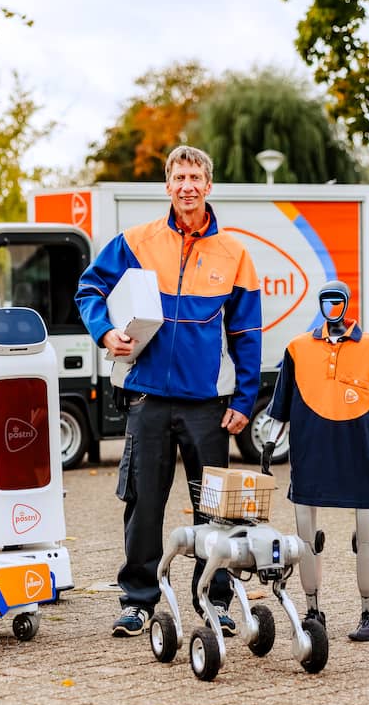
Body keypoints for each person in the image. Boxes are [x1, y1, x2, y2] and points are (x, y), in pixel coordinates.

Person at [75, 145, 262, 638]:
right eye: (179, 177)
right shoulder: (135, 242)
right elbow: (89, 290)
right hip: (146, 398)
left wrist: (244, 400)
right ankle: (138, 600)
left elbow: (246, 333)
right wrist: (105, 332)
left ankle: (215, 601)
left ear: (209, 185)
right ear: (167, 185)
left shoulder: (235, 254)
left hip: (207, 404)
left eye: (196, 176)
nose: (187, 186)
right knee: (143, 502)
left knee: (215, 509)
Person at [262, 280, 369, 642]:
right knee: (305, 539)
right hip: (311, 454)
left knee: (366, 538)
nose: (332, 306)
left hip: (363, 454)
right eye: (326, 300)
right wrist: (270, 442)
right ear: (320, 304)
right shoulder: (298, 348)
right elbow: (282, 403)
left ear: (347, 303)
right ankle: (313, 611)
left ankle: (368, 613)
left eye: (337, 300)